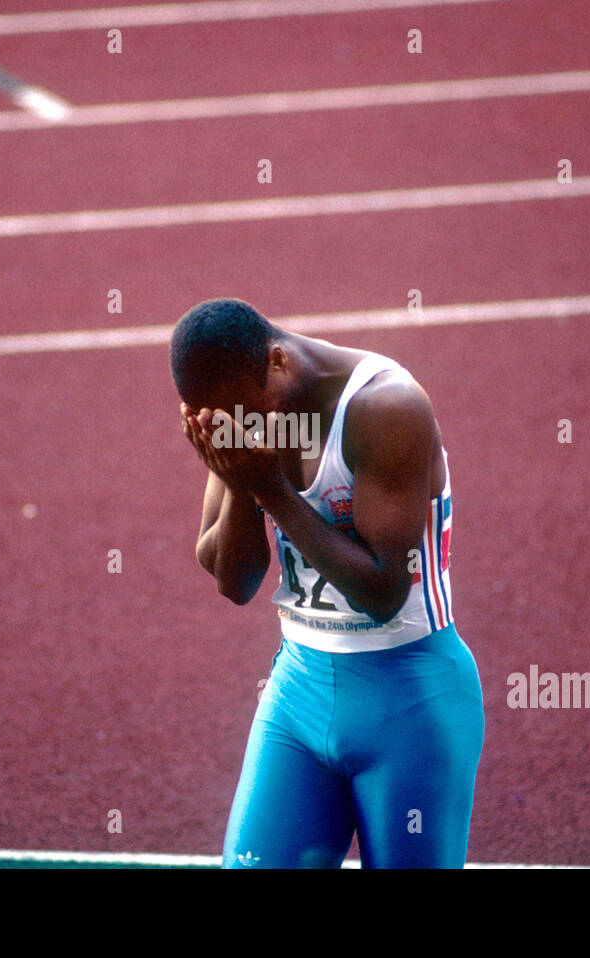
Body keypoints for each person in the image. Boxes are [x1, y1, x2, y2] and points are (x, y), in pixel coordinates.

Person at [170, 298, 485, 868]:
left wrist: (271, 491)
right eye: (220, 423)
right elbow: (234, 581)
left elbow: (385, 593)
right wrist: (241, 481)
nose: (239, 429)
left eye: (244, 412)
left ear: (278, 362)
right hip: (298, 694)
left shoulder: (385, 409)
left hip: (410, 698)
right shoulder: (238, 415)